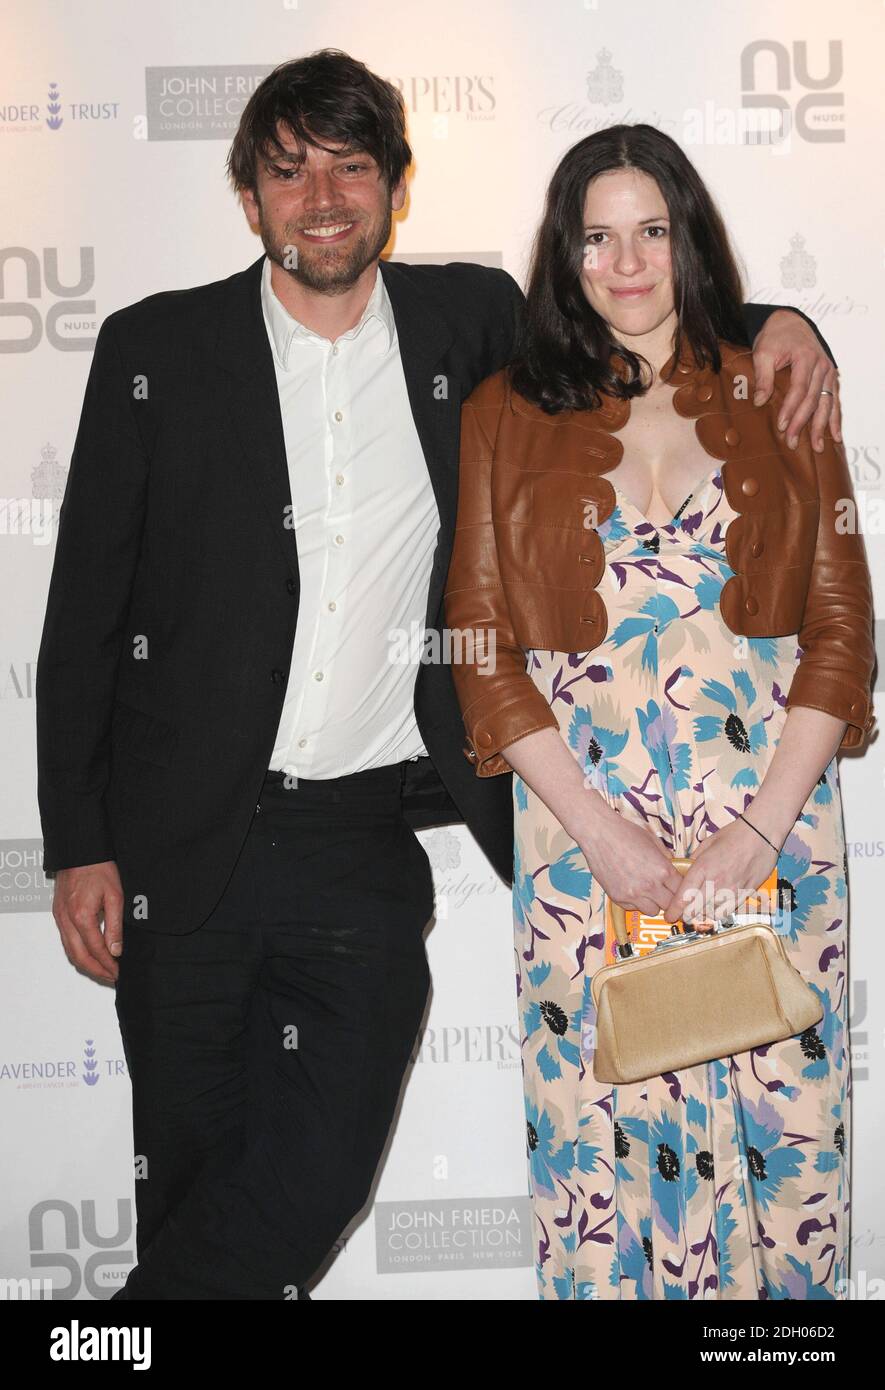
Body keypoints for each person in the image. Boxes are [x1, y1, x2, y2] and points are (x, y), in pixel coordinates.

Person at [35, 44, 843, 1299]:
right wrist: (76, 836)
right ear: (248, 194)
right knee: (198, 1192)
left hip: (356, 844)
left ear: (394, 190)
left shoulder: (463, 324)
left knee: (311, 1178)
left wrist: (779, 323)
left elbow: (628, 300)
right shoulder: (157, 350)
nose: (321, 197)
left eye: (351, 167)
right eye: (288, 170)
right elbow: (84, 607)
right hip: (173, 845)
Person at [444, 123, 875, 1301]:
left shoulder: (779, 388)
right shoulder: (503, 414)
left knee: (785, 1176)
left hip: (775, 857)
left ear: (688, 241)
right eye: (598, 236)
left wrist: (754, 836)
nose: (627, 263)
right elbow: (478, 651)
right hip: (591, 870)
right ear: (565, 254)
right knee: (605, 1181)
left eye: (652, 231)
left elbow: (843, 637)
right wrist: (604, 837)